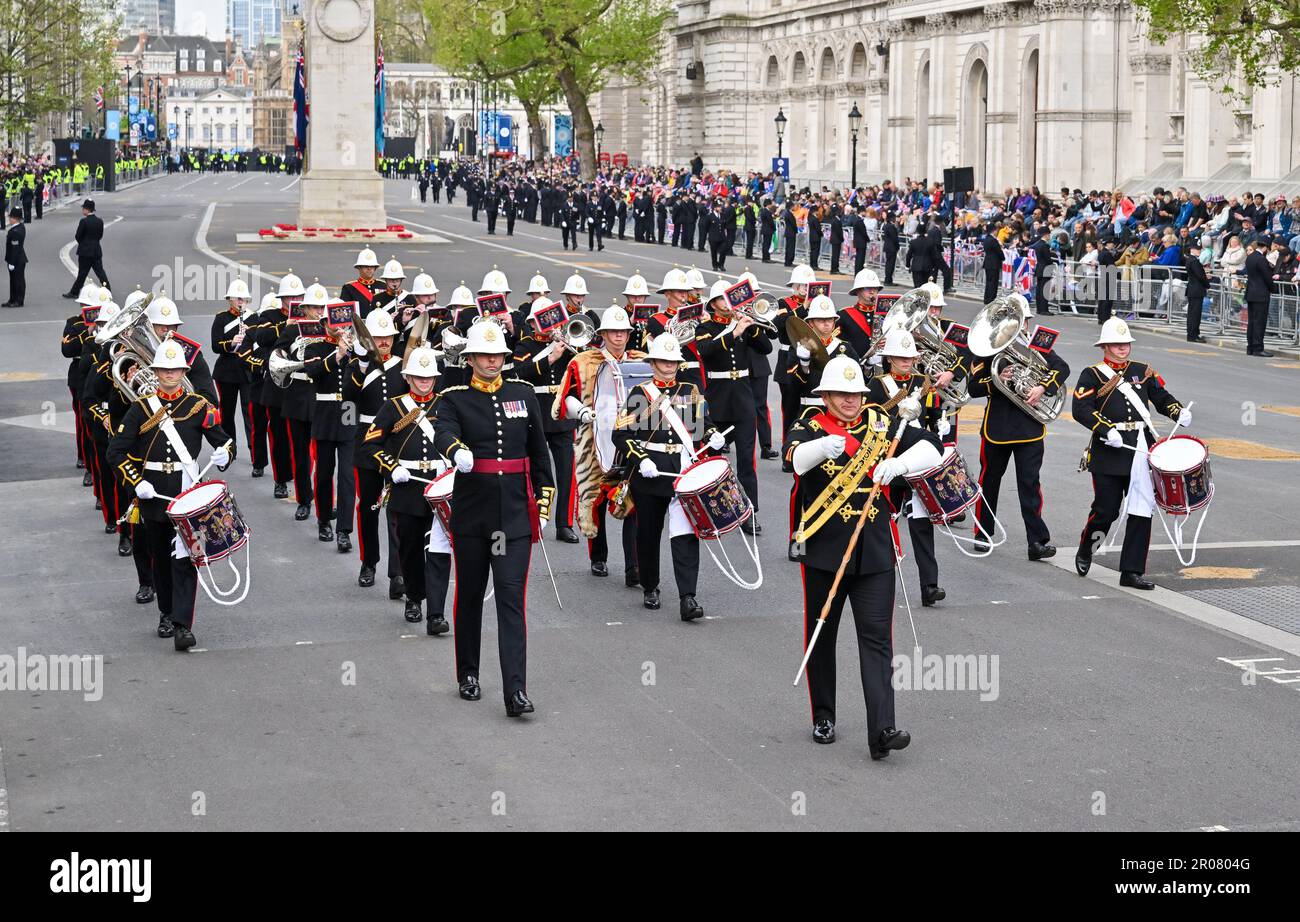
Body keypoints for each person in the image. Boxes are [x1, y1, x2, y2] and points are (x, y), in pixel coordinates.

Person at [786, 355, 941, 758]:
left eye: (856, 393)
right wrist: (821, 447)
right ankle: (824, 715)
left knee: (877, 640)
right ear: (826, 396)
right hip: (824, 548)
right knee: (823, 633)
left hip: (874, 551)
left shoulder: (881, 423)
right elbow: (795, 462)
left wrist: (900, 463)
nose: (851, 400)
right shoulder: (809, 426)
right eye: (842, 393)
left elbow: (933, 447)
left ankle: (883, 729)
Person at [433, 320, 556, 717]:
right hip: (472, 516)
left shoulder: (523, 393)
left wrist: (544, 501)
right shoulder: (454, 397)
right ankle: (468, 672)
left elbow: (539, 452)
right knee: (470, 596)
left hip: (516, 516)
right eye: (484, 354)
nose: (492, 360)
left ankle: (515, 691)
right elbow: (442, 430)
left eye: (498, 354)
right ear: (469, 358)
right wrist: (455, 451)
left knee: (510, 600)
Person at [107, 339, 234, 650]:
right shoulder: (140, 409)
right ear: (157, 370)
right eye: (165, 369)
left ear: (184, 371)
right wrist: (136, 482)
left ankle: (182, 625)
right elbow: (116, 452)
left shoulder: (198, 407)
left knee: (187, 558)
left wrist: (224, 455)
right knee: (161, 559)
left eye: (176, 369)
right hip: (154, 494)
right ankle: (165, 612)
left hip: (187, 494)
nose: (170, 374)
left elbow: (225, 442)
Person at [1072, 318, 1189, 590]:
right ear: (1105, 347)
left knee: (1141, 510)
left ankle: (1132, 571)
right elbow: (1081, 409)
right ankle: (1087, 548)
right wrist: (1104, 430)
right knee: (1106, 510)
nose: (1123, 348)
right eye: (1117, 343)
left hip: (1140, 448)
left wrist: (1178, 412)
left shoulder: (1142, 371)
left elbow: (1161, 398)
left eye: (1126, 343)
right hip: (1110, 449)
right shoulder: (1093, 374)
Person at [617, 333, 723, 617]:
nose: (668, 366)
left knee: (686, 534)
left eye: (673, 361)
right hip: (651, 472)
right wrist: (640, 459)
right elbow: (621, 433)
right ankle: (650, 585)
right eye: (663, 361)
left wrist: (713, 438)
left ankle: (688, 597)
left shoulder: (691, 390)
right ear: (652, 364)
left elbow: (705, 425)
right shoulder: (640, 393)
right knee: (649, 534)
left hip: (683, 471)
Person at [966, 295, 1069, 559]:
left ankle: (1037, 542)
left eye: (1024, 322)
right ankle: (982, 533)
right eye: (1017, 322)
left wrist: (1042, 387)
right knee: (988, 481)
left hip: (1029, 426)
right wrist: (996, 378)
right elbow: (974, 387)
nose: (1021, 328)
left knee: (1030, 484)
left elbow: (1062, 368)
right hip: (998, 426)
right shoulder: (985, 348)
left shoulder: (1036, 346)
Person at [553, 305, 644, 585]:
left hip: (632, 442)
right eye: (613, 331)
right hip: (593, 442)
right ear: (603, 334)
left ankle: (634, 567)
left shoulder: (642, 360)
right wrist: (581, 411)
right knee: (595, 501)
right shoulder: (582, 361)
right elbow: (564, 399)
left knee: (633, 503)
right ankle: (598, 557)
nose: (618, 336)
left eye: (623, 331)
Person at [365, 344, 452, 631]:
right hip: (407, 485)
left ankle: (436, 613)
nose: (424, 381)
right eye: (418, 376)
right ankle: (414, 597)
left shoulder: (447, 404)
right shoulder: (393, 407)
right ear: (408, 377)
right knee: (411, 548)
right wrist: (392, 467)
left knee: (439, 550)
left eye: (428, 376)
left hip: (440, 485)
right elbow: (372, 444)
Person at [863, 329, 946, 606]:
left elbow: (934, 410)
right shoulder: (877, 384)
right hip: (892, 452)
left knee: (922, 520)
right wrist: (900, 403)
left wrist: (941, 423)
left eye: (910, 357)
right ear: (889, 359)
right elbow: (873, 420)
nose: (907, 361)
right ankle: (878, 577)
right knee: (886, 519)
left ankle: (929, 585)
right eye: (901, 357)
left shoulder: (922, 381)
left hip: (919, 454)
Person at [693, 278, 773, 534]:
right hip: (718, 398)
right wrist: (733, 332)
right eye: (722, 300)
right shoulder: (705, 326)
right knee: (712, 458)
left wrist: (752, 325)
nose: (728, 304)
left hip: (743, 399)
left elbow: (766, 346)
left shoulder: (742, 323)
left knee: (747, 462)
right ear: (714, 304)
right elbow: (706, 350)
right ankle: (714, 511)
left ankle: (750, 512)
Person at [211, 279, 254, 457]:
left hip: (247, 372)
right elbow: (215, 345)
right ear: (230, 299)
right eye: (237, 298)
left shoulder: (253, 317)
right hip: (227, 372)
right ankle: (230, 449)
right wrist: (231, 343)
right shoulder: (222, 318)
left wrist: (250, 332)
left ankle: (254, 451)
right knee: (227, 413)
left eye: (243, 298)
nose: (240, 301)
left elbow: (259, 344)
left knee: (249, 413)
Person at [63, 199, 110, 298]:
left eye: (83, 208)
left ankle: (74, 292)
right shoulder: (99, 221)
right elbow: (100, 236)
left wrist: (83, 244)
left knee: (82, 273)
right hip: (96, 250)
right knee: (100, 271)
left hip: (85, 252)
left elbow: (78, 236)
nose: (82, 210)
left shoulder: (84, 221)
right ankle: (108, 289)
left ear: (86, 209)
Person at [1243, 239, 1275, 357]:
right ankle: (1258, 347)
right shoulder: (1261, 259)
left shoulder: (1250, 257)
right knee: (1259, 322)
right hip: (1260, 294)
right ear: (1265, 248)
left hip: (1251, 292)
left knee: (1252, 322)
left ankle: (1250, 346)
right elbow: (1267, 277)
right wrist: (1273, 289)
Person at [1183, 242, 1210, 343]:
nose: (1199, 251)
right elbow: (1200, 276)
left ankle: (1192, 334)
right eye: (1197, 249)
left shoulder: (1191, 260)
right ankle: (1193, 335)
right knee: (1195, 314)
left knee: (1192, 313)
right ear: (1192, 250)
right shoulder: (1194, 261)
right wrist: (1207, 284)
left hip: (1193, 289)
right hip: (1196, 290)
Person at [341, 248, 380, 317]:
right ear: (359, 268)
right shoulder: (349, 288)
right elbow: (344, 312)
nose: (369, 268)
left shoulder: (383, 285)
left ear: (375, 268)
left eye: (372, 266)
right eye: (365, 266)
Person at [3, 206, 25, 307]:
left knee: (18, 281)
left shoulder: (17, 231)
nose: (9, 219)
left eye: (10, 217)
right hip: (14, 259)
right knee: (13, 280)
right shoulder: (17, 228)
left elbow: (15, 249)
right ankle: (12, 299)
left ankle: (18, 300)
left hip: (17, 260)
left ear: (15, 218)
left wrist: (11, 262)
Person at [982, 224, 1004, 305]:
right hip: (994, 263)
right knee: (993, 282)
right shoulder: (993, 240)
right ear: (994, 230)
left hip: (988, 262)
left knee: (988, 282)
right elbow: (998, 251)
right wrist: (1003, 257)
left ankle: (987, 298)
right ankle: (991, 298)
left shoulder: (986, 239)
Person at [881, 211, 900, 284]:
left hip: (888, 247)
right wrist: (897, 246)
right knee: (890, 265)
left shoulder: (886, 226)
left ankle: (888, 279)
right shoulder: (891, 226)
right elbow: (894, 238)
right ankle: (888, 280)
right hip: (891, 248)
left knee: (889, 264)